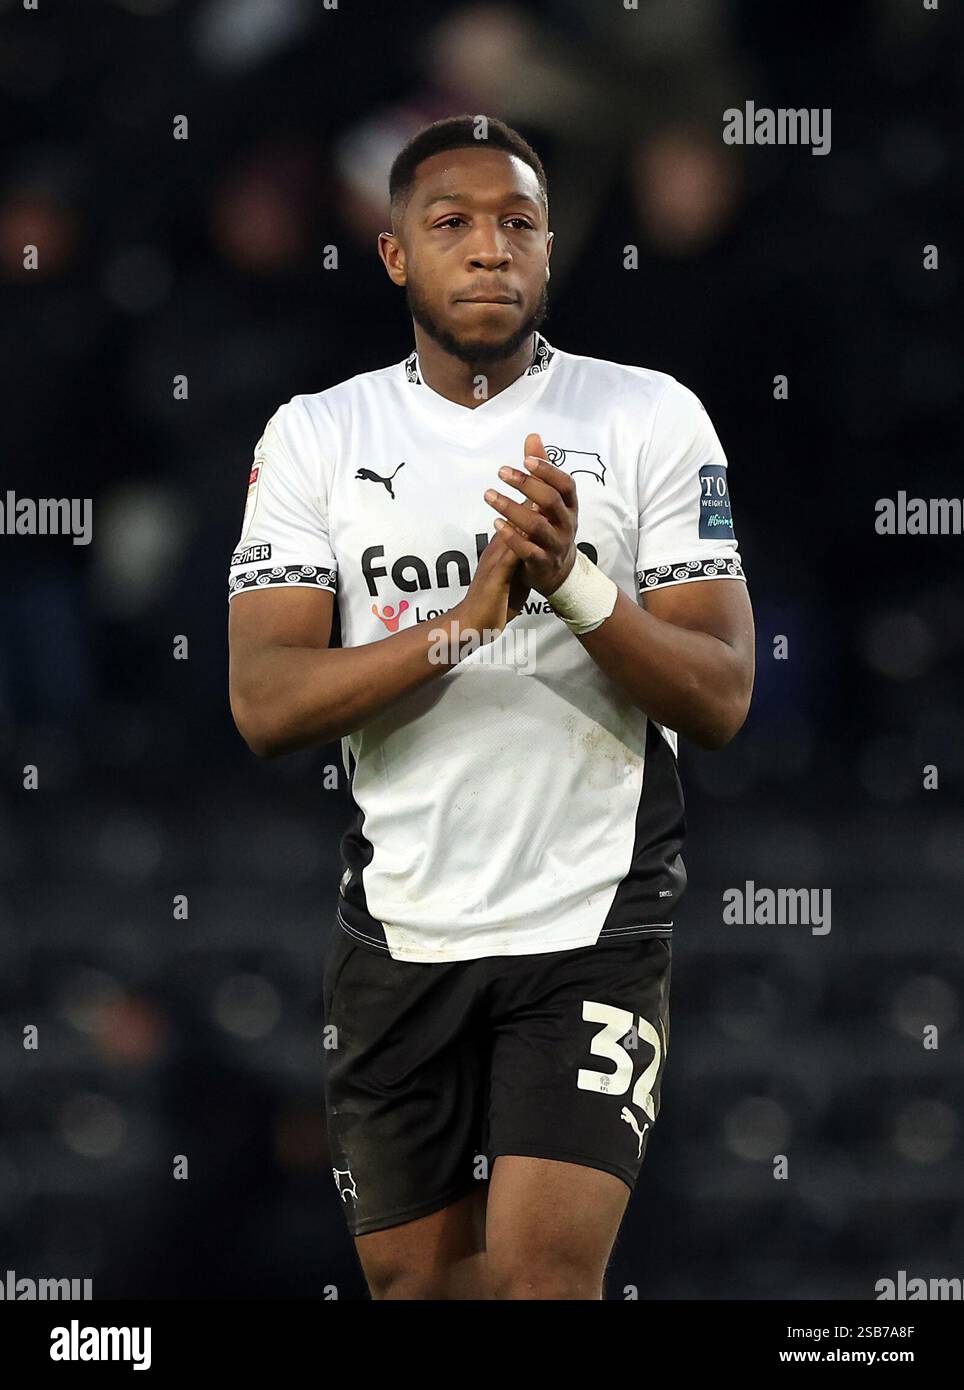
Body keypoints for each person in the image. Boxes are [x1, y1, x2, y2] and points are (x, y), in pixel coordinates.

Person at [227, 114, 755, 1300]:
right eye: (451, 223)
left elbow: (720, 696)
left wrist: (570, 584)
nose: (488, 248)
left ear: (552, 251)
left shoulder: (646, 417)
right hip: (400, 933)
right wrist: (466, 620)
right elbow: (264, 703)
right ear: (394, 255)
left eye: (517, 222)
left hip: (591, 926)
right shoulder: (318, 434)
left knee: (539, 1281)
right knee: (420, 1291)